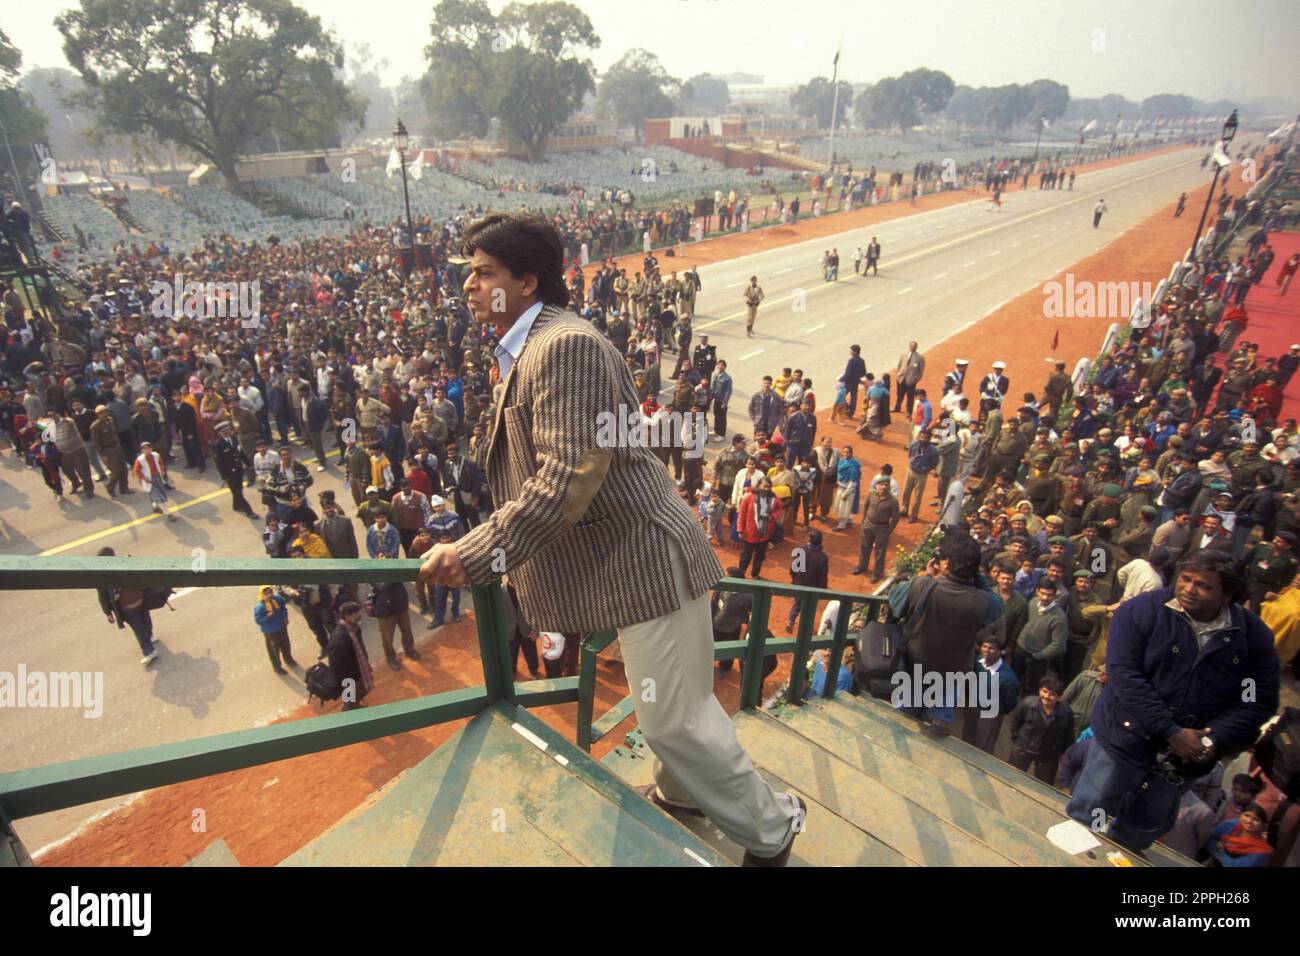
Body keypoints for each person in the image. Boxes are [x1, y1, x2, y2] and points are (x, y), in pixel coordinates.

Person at [417, 213, 804, 865]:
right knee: (675, 704)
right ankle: (683, 795)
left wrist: (478, 551)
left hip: (646, 560)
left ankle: (771, 830)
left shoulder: (564, 346)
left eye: (484, 274)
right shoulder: (532, 345)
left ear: (528, 280)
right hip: (621, 563)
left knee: (672, 717)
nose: (469, 287)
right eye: (469, 275)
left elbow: (569, 476)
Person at [1066, 551, 1280, 851]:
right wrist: (1170, 730)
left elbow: (1258, 699)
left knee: (1143, 824)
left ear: (1228, 594)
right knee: (1090, 813)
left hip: (1186, 759)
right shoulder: (1142, 611)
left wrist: (1212, 739)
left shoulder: (1252, 637)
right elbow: (1125, 675)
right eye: (1185, 578)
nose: (1189, 589)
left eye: (1203, 585)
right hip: (1125, 739)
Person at [96, 546, 159, 666]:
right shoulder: (126, 564)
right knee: (145, 621)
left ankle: (149, 651)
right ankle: (150, 636)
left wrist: (108, 613)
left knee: (139, 629)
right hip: (140, 599)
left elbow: (103, 596)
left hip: (126, 608)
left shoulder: (102, 576)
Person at [1008, 676, 1074, 784]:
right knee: (1011, 776)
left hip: (1048, 755)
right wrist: (1016, 737)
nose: (1047, 696)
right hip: (1023, 748)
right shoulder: (1028, 704)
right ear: (1039, 690)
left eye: (1052, 694)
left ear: (1059, 697)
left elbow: (1068, 736)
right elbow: (1016, 720)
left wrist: (1062, 753)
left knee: (1044, 784)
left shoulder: (1066, 713)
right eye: (1044, 691)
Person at [326, 601, 374, 710]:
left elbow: (360, 648)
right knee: (350, 703)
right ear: (347, 617)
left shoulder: (355, 628)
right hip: (349, 679)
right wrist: (346, 683)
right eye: (356, 613)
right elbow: (335, 666)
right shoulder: (339, 638)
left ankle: (353, 706)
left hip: (359, 671)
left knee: (363, 690)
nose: (359, 615)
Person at [852, 476, 900, 581]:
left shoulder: (893, 501)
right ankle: (862, 566)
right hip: (868, 525)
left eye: (886, 485)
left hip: (882, 528)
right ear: (877, 486)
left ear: (889, 487)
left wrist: (888, 531)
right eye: (881, 484)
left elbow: (896, 518)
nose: (883, 487)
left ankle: (877, 573)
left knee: (880, 552)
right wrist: (864, 521)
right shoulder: (871, 494)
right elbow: (865, 506)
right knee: (864, 546)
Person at [1206, 803, 1273, 867]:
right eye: (1246, 815)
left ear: (1263, 826)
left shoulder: (1262, 850)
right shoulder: (1231, 824)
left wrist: (1221, 852)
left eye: (1256, 819)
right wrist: (1215, 852)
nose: (1249, 821)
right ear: (1240, 816)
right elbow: (1209, 837)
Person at [213, 420, 256, 516]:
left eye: (227, 430)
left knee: (239, 490)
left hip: (238, 470)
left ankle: (236, 505)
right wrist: (224, 476)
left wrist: (248, 464)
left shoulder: (234, 438)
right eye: (223, 432)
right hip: (229, 474)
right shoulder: (218, 445)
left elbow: (240, 452)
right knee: (237, 493)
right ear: (219, 433)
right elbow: (219, 463)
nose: (226, 433)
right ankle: (249, 511)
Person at [253, 586, 298, 675]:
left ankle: (288, 659)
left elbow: (283, 609)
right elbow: (258, 621)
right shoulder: (260, 607)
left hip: (282, 627)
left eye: (271, 592)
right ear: (263, 594)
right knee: (274, 650)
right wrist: (267, 617)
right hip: (271, 632)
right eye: (267, 593)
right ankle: (277, 667)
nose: (270, 595)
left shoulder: (278, 599)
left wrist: (285, 617)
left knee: (286, 644)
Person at [132, 441, 176, 520]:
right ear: (142, 451)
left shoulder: (156, 455)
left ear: (151, 448)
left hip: (158, 478)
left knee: (158, 493)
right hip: (149, 480)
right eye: (145, 449)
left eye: (148, 448)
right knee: (160, 496)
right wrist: (144, 478)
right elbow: (136, 471)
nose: (147, 450)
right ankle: (168, 513)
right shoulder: (140, 460)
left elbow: (161, 463)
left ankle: (154, 506)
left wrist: (162, 471)